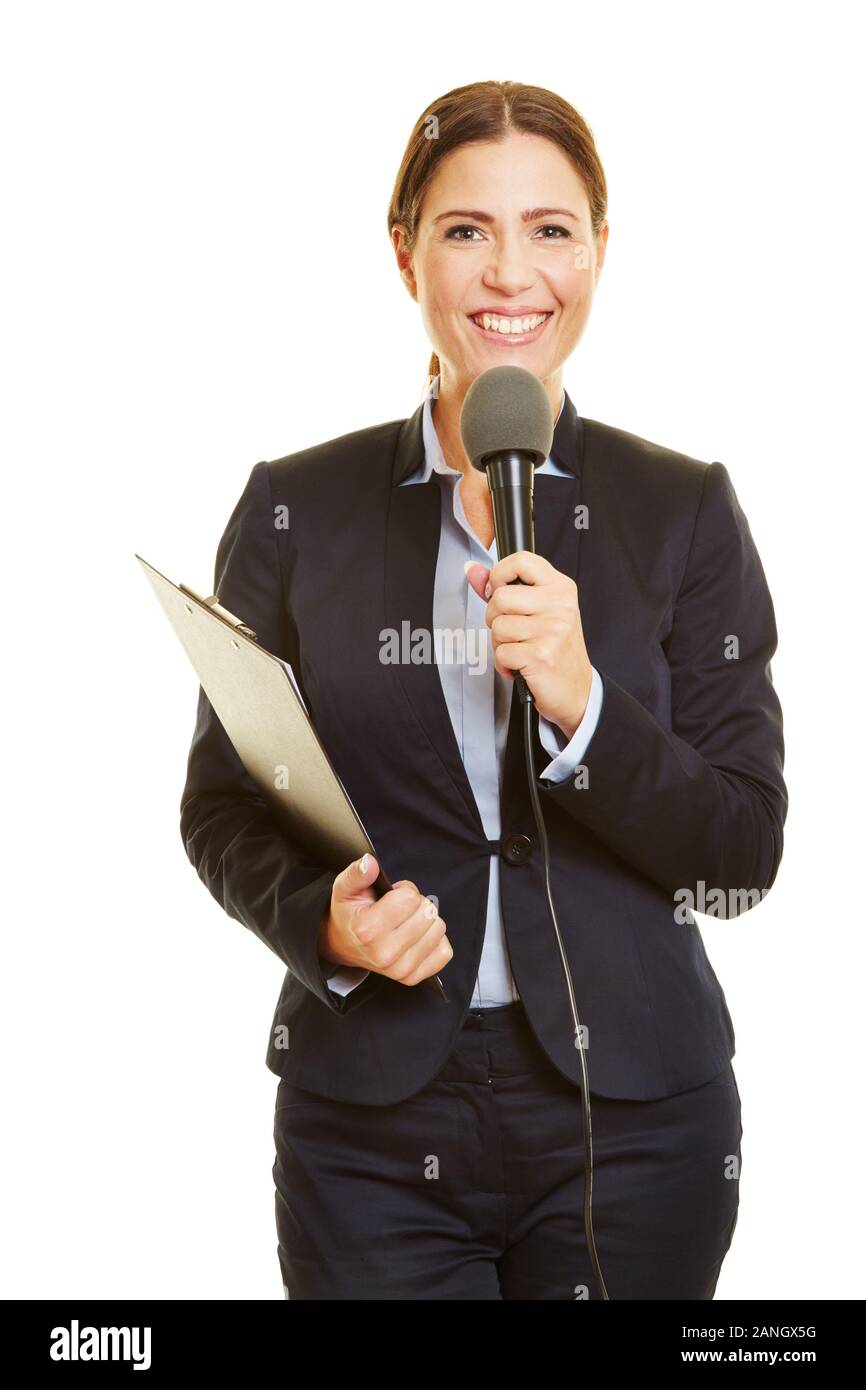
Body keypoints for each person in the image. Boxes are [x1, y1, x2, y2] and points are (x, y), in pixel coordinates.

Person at [179, 80, 787, 1300]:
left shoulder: (682, 512)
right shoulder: (297, 509)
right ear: (404, 250)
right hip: (367, 1130)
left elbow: (742, 843)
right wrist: (322, 923)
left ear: (598, 253)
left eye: (550, 230)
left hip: (636, 1129)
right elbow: (223, 805)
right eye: (466, 230)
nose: (511, 273)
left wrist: (585, 703)